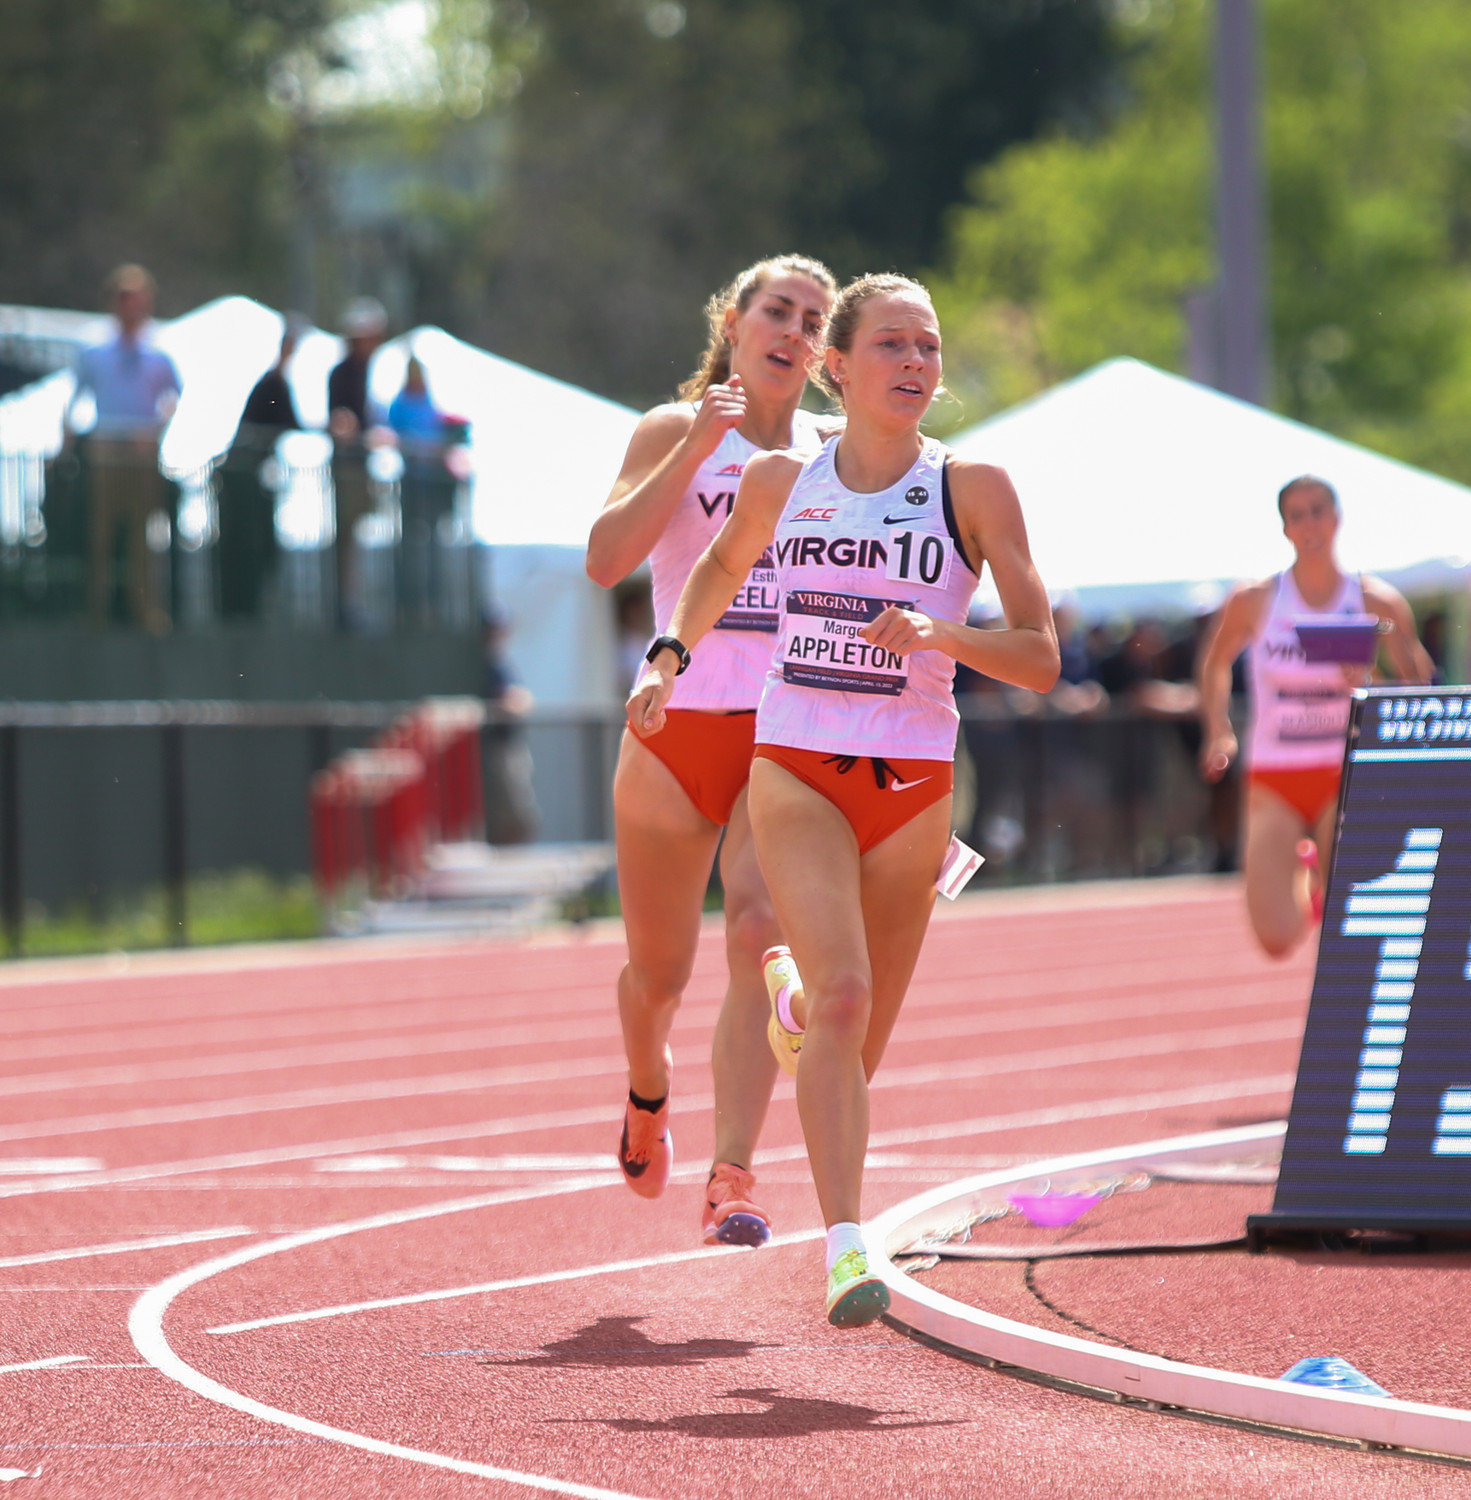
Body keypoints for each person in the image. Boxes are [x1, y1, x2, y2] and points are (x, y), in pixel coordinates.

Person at [628, 273, 1058, 1325]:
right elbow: (718, 566)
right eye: (891, 345)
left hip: (912, 783)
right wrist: (668, 657)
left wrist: (944, 635)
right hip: (796, 763)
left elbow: (1040, 657)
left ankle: (796, 1022)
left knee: (849, 1053)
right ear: (838, 367)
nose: (914, 362)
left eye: (928, 347)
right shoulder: (783, 478)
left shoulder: (974, 487)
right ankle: (846, 1248)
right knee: (847, 997)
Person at [587, 254, 837, 1249]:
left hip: (783, 731)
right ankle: (646, 1086)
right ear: (734, 323)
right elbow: (605, 560)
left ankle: (732, 1177)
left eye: (814, 321)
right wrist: (697, 443)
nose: (794, 330)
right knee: (657, 976)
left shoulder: (833, 451)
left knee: (756, 930)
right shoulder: (670, 427)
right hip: (673, 727)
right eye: (778, 310)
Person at [1199, 476, 1434, 957]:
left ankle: (1330, 880)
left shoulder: (1376, 601)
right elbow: (1215, 662)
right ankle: (1311, 883)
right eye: (1297, 515)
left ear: (1336, 519)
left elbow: (1421, 691)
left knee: (1354, 929)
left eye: (1317, 511)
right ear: (1285, 529)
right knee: (1276, 939)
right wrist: (1219, 730)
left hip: (1345, 775)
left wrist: (1369, 683)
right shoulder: (1256, 599)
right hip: (1274, 776)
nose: (1309, 524)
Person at [70, 264, 181, 631]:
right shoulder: (94, 351)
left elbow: (173, 399)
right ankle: (95, 613)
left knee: (142, 538)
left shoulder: (159, 353)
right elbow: (75, 399)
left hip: (143, 454)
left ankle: (145, 610)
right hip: (105, 450)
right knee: (100, 534)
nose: (132, 306)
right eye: (125, 298)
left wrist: (155, 431)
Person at [219, 317, 302, 619]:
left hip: (255, 477)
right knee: (246, 542)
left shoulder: (278, 383)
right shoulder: (271, 383)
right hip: (245, 478)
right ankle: (240, 608)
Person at [327, 297, 388, 622]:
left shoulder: (368, 371)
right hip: (347, 466)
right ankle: (343, 604)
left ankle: (353, 602)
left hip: (361, 464)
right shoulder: (341, 373)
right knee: (347, 537)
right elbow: (339, 420)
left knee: (358, 536)